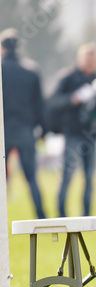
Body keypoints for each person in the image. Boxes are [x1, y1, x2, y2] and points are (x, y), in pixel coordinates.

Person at [1, 29, 47, 219]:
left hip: (4, 131)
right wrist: (43, 130)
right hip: (26, 130)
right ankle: (42, 218)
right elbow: (40, 104)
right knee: (32, 179)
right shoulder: (31, 71)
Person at [50, 44, 96, 218]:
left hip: (91, 135)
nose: (90, 64)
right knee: (67, 176)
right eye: (87, 60)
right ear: (80, 59)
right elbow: (53, 102)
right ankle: (61, 214)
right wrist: (73, 99)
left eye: (93, 61)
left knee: (89, 178)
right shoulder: (68, 77)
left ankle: (87, 215)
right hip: (71, 133)